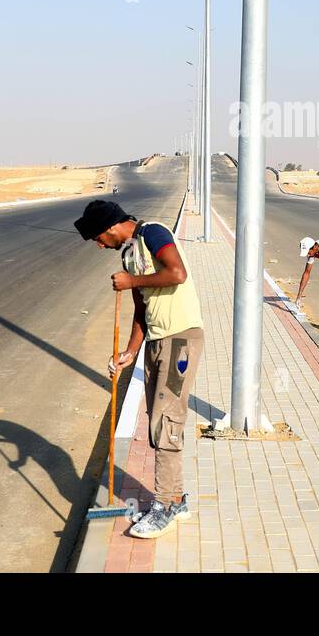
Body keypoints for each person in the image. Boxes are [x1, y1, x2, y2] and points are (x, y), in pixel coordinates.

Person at [73, 199, 204, 539]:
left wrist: (131, 281)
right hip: (158, 340)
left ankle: (163, 506)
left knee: (167, 419)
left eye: (99, 239)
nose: (100, 246)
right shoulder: (129, 254)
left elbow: (177, 273)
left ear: (111, 227)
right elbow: (141, 309)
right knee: (160, 419)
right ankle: (175, 499)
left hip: (181, 339)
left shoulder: (154, 233)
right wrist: (130, 351)